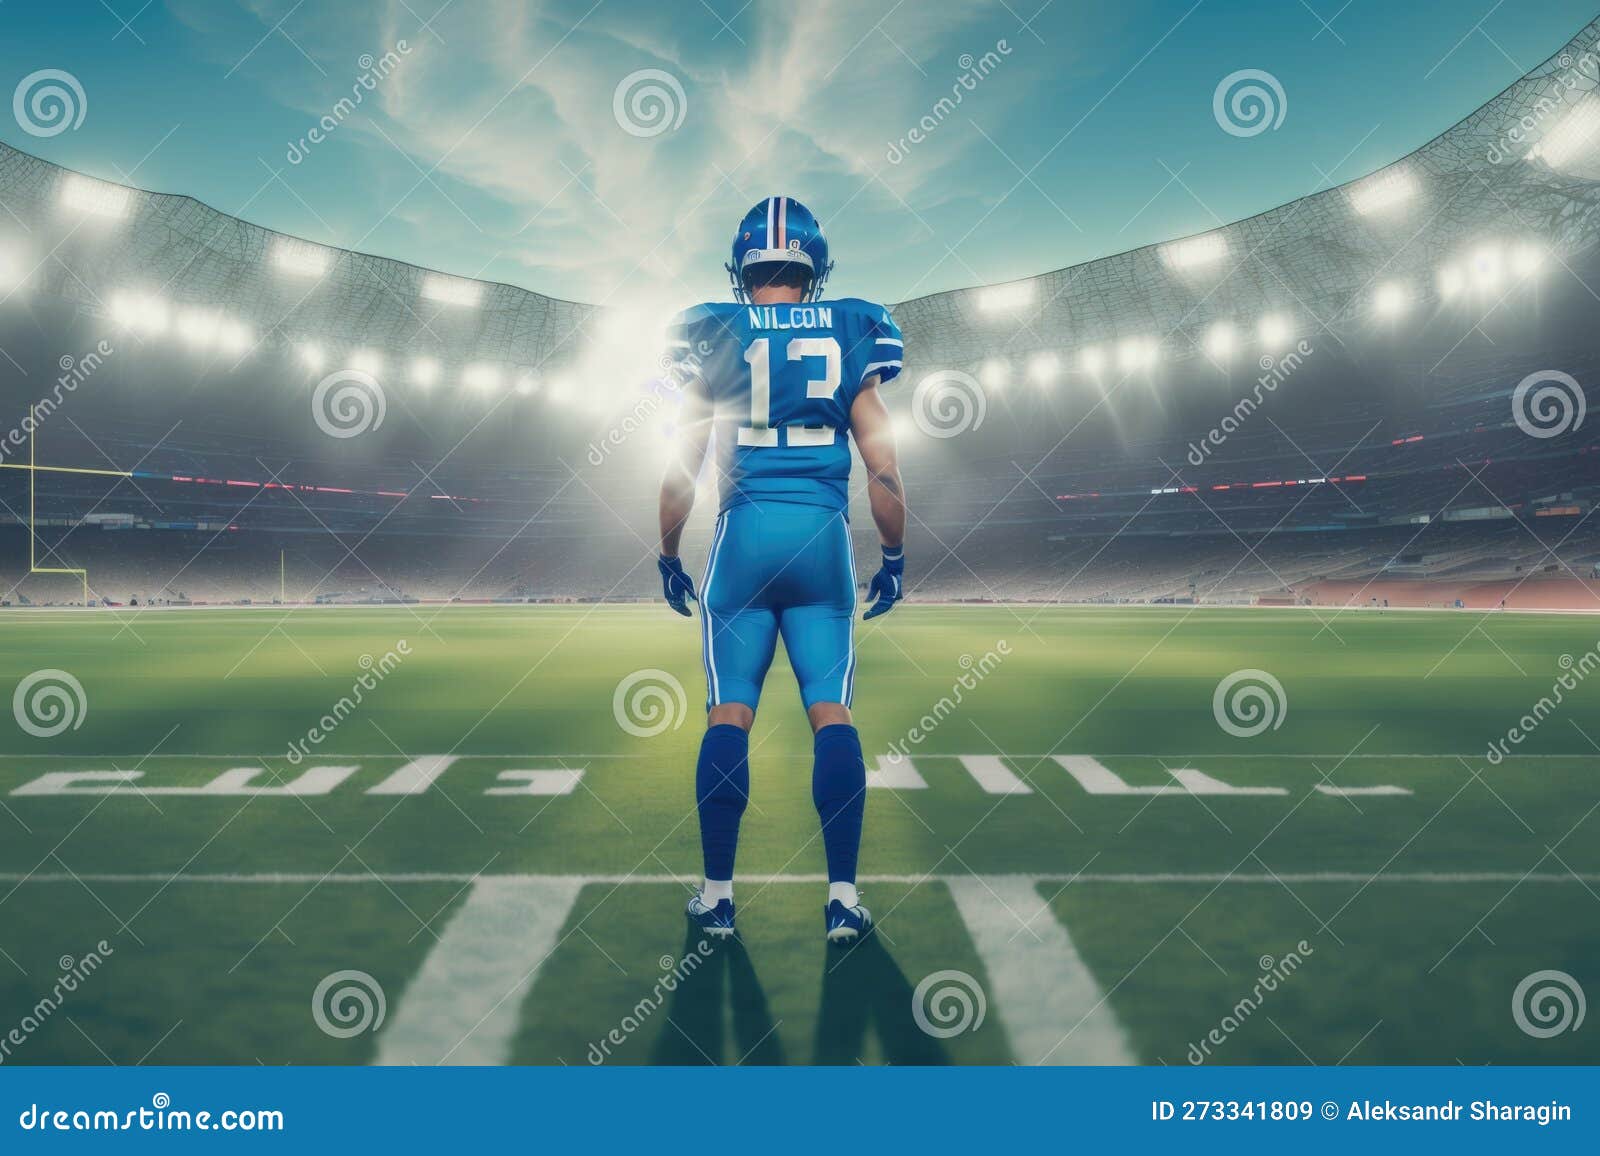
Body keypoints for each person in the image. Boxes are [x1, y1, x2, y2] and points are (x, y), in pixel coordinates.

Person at [655, 196, 906, 944]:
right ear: (815, 269)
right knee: (832, 713)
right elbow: (884, 468)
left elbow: (680, 473)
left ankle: (718, 898)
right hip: (822, 537)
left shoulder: (713, 332)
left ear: (742, 269)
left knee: (729, 711)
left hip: (744, 537)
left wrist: (667, 555)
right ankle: (841, 900)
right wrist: (893, 558)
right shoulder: (854, 327)